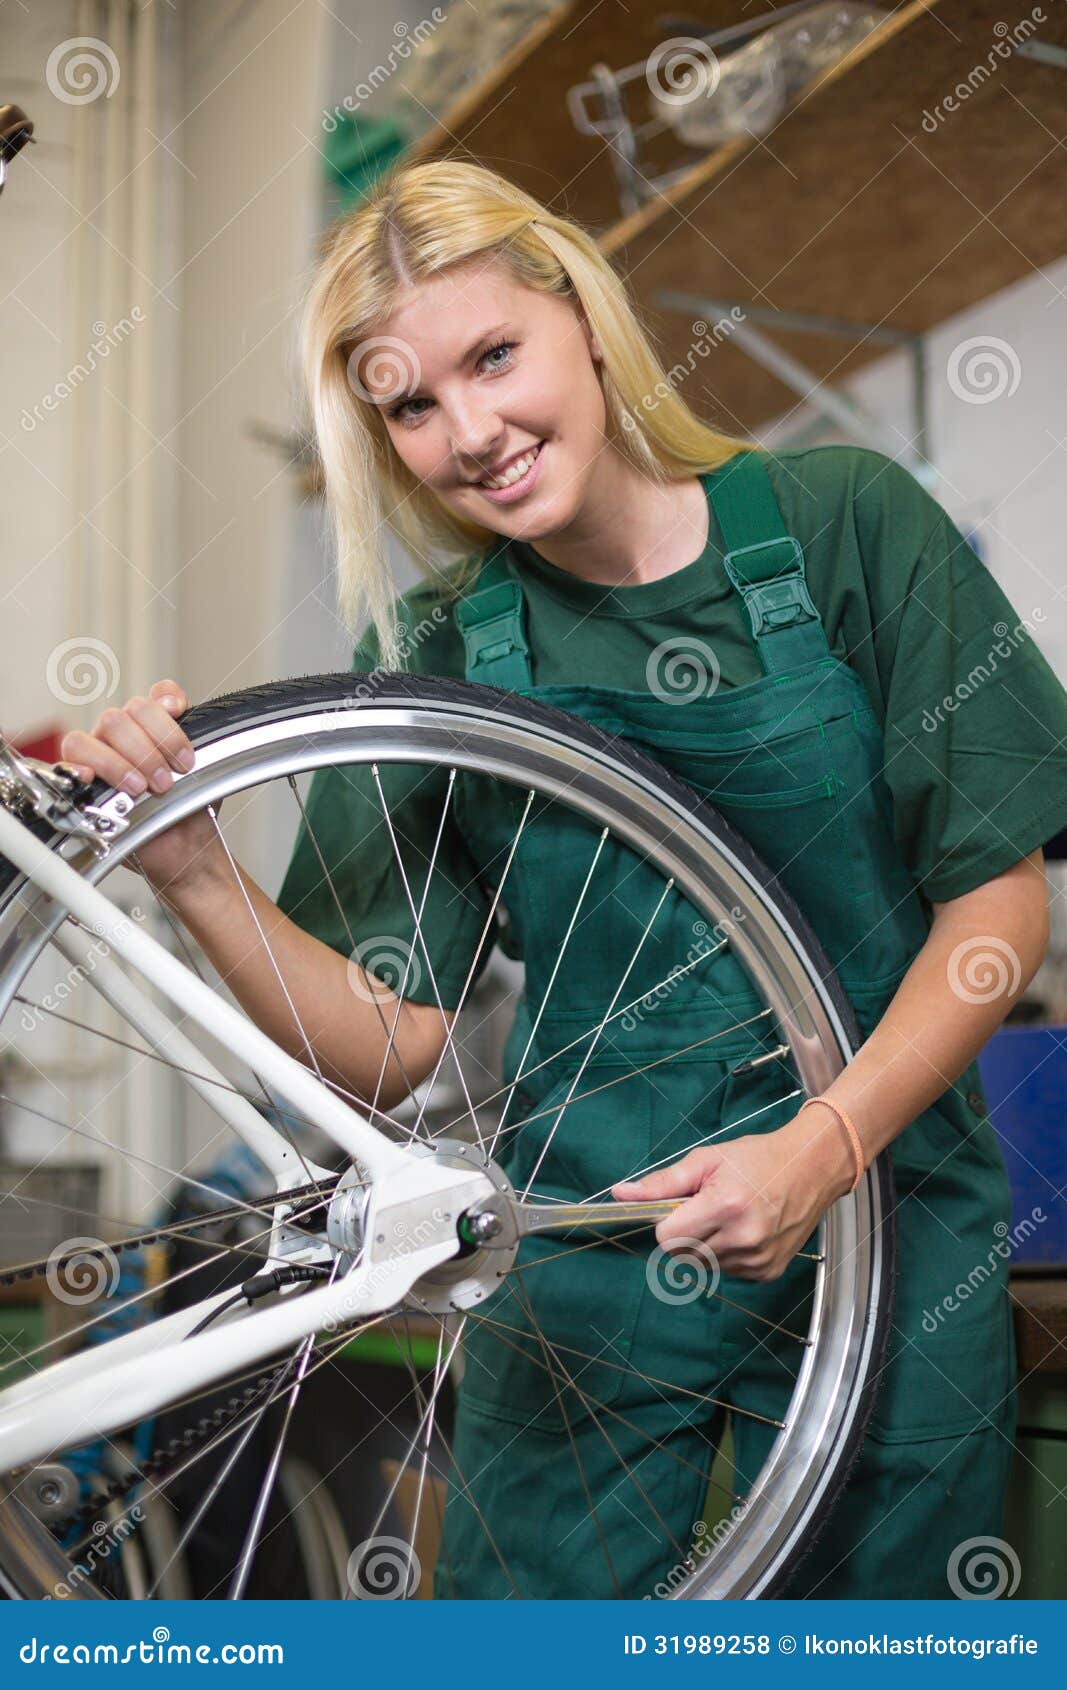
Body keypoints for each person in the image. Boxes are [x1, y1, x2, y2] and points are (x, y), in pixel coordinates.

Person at [63, 159, 1066, 1600]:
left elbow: (997, 912)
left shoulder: (846, 524)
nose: (471, 431)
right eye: (410, 404)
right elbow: (394, 1044)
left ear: (582, 317)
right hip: (587, 1258)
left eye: (493, 356)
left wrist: (820, 1146)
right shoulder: (437, 657)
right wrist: (197, 874)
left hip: (891, 1236)